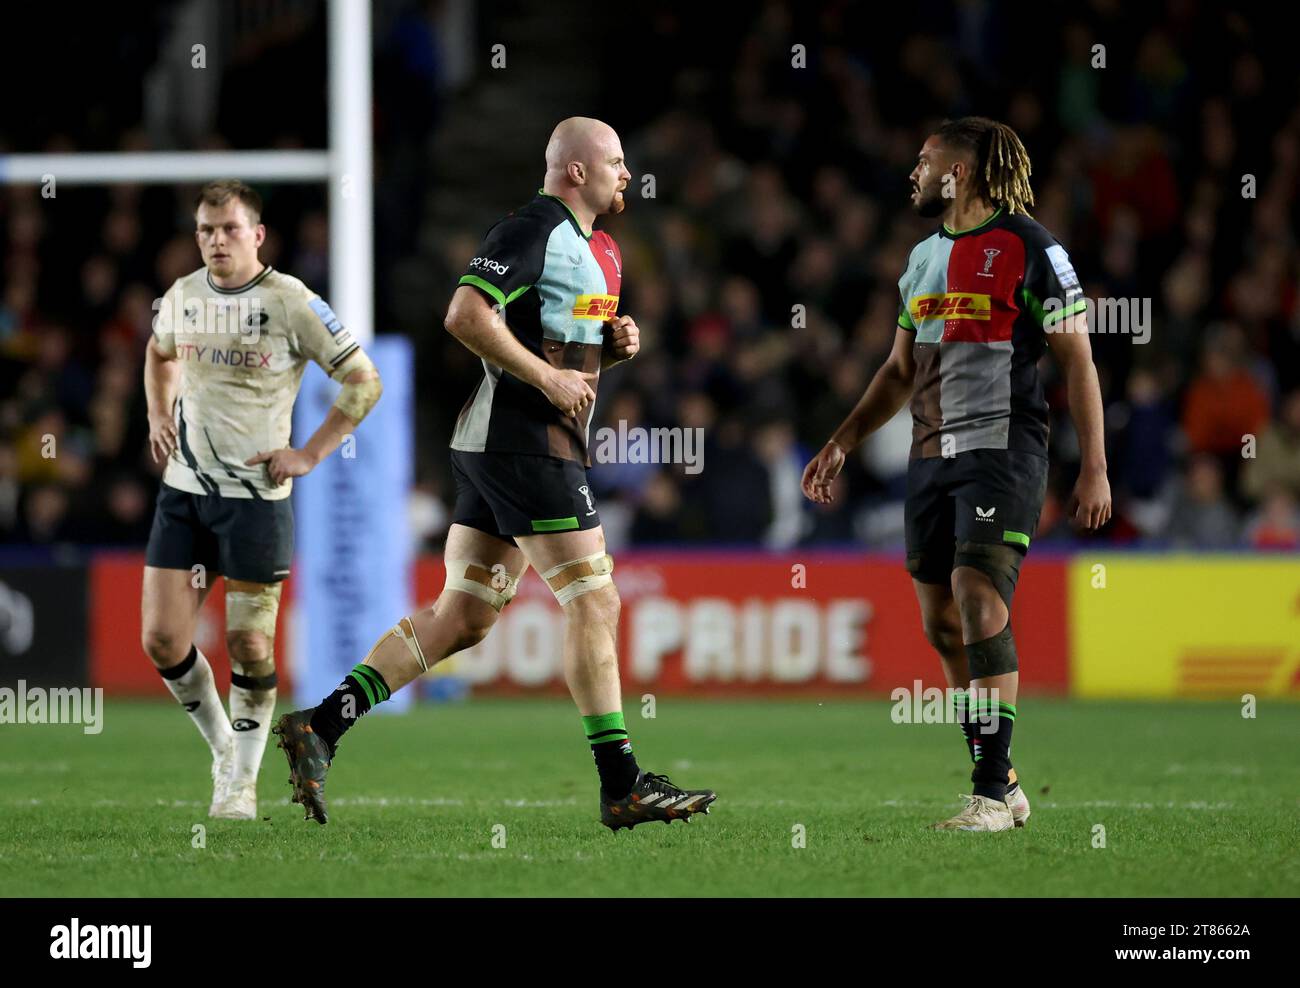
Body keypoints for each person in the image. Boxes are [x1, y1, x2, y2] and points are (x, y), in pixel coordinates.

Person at [274, 118, 717, 831]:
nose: (628, 174)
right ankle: (622, 783)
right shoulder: (531, 228)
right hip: (524, 444)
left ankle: (320, 726)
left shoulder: (603, 250)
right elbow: (465, 313)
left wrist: (613, 348)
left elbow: (565, 348)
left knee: (465, 617)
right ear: (575, 170)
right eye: (615, 161)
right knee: (595, 602)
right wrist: (547, 375)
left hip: (509, 446)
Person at [802, 117, 1111, 832]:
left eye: (924, 158)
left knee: (977, 593)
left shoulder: (1034, 249)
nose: (913, 171)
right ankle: (1001, 774)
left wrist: (1093, 466)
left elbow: (1078, 362)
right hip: (929, 455)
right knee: (942, 623)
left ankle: (989, 794)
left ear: (960, 172)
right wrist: (842, 442)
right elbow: (899, 371)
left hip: (1004, 450)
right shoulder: (920, 260)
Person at [143, 179, 382, 819]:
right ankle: (226, 747)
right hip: (185, 494)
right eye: (205, 230)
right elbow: (158, 352)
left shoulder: (291, 302)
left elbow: (364, 381)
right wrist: (156, 415)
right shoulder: (183, 296)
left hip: (255, 500)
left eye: (228, 229)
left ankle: (240, 783)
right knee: (163, 640)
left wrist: (309, 453)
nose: (216, 240)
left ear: (257, 235)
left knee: (250, 648)